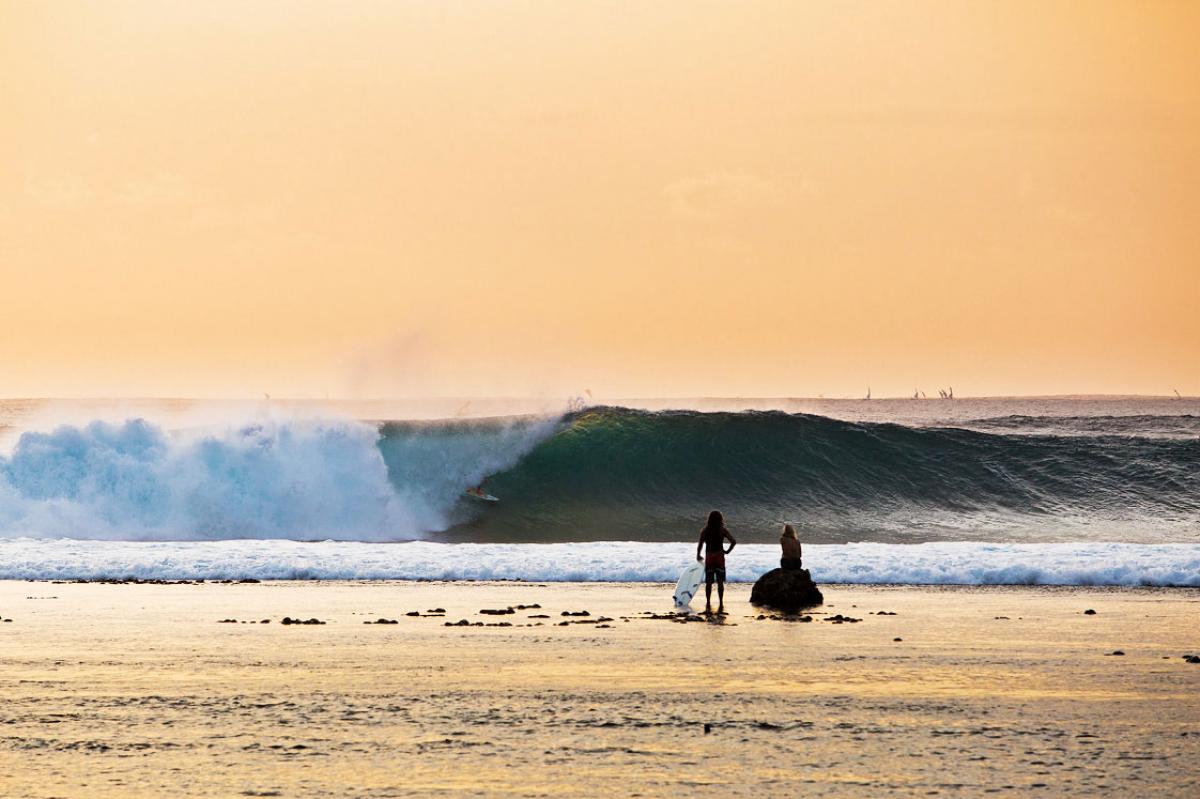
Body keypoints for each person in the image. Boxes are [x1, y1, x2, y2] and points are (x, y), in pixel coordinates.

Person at [696, 510, 736, 615]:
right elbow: (733, 541)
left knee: (708, 583)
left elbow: (700, 544)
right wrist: (727, 551)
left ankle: (708, 602)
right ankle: (721, 602)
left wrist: (698, 555)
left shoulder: (705, 530)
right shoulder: (722, 530)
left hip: (709, 557)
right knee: (720, 582)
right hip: (719, 557)